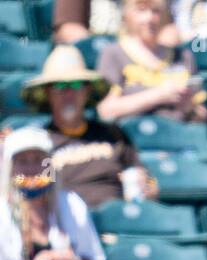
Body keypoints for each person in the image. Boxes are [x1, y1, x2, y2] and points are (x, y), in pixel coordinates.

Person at [21, 46, 157, 209]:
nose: (69, 94)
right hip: (66, 225)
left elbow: (147, 181)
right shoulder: (38, 144)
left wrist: (149, 188)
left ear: (87, 91)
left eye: (77, 85)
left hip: (117, 225)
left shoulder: (113, 134)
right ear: (47, 93)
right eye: (60, 87)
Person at [0, 127, 106, 260]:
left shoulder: (71, 203)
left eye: (38, 160)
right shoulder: (2, 210)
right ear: (10, 168)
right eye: (22, 161)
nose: (31, 169)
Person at [97, 0, 207, 124]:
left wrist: (189, 108)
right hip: (132, 137)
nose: (150, 18)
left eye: (156, 11)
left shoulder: (183, 56)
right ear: (126, 15)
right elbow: (105, 110)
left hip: (179, 136)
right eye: (141, 10)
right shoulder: (114, 53)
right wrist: (158, 96)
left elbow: (202, 115)